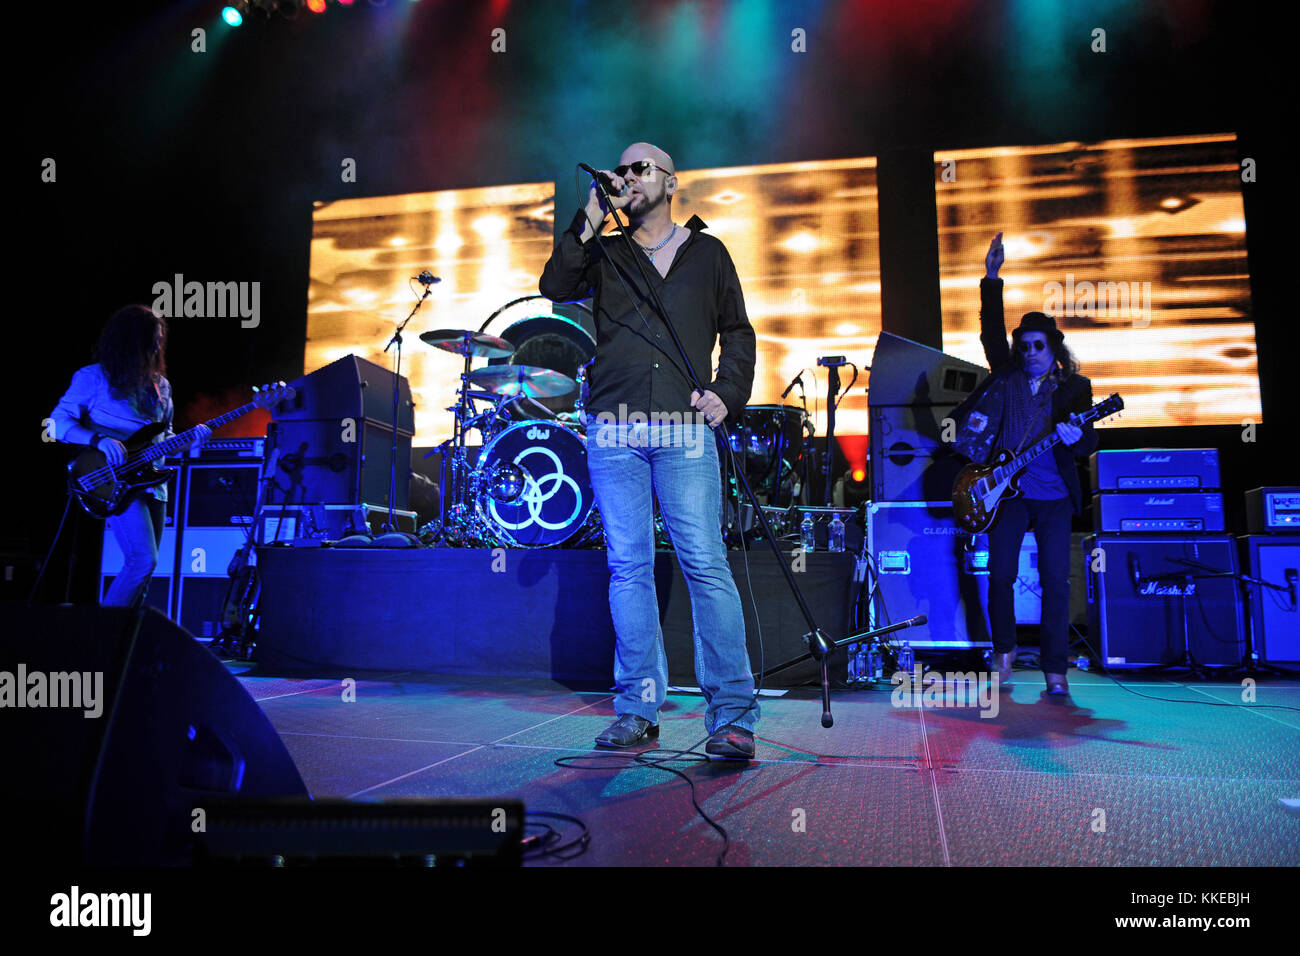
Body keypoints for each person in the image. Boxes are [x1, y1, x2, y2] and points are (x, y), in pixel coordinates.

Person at [539, 143, 759, 757]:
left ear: (670, 182)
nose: (628, 176)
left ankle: (733, 715)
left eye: (640, 168)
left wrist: (727, 392)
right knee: (628, 567)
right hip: (614, 427)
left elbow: (739, 333)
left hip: (685, 428)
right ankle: (638, 706)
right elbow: (553, 283)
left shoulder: (708, 253)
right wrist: (589, 215)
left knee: (705, 565)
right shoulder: (604, 251)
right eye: (623, 168)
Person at [952, 233, 1099, 696]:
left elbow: (1087, 443)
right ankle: (1004, 654)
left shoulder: (1075, 390)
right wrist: (991, 278)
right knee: (1001, 576)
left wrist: (1077, 439)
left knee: (1057, 581)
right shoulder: (1008, 376)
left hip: (1054, 497)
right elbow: (991, 332)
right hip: (1008, 495)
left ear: (1054, 348)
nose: (1031, 352)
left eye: (1039, 345)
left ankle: (1056, 671)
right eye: (1026, 345)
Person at [50, 305, 209, 609]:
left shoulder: (161, 386)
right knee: (141, 561)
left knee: (144, 574)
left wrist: (190, 440)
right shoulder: (93, 378)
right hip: (112, 479)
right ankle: (101, 637)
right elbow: (56, 424)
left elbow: (165, 438)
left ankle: (125, 648)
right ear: (129, 341)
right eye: (150, 339)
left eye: (159, 340)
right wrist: (98, 439)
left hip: (153, 483)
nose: (155, 347)